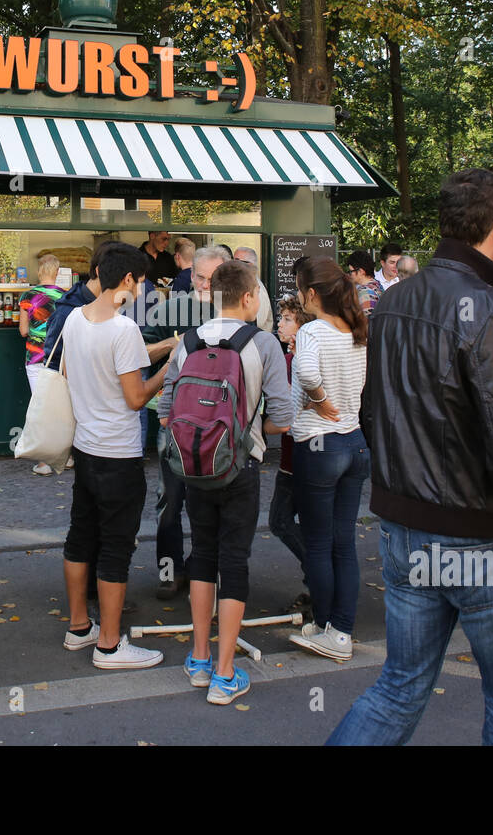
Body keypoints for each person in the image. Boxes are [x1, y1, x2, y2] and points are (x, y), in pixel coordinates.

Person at [328, 169, 493, 746]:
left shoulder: (396, 301)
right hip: (485, 536)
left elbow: (375, 410)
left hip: (408, 524)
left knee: (399, 687)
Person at [158, 261, 294, 703]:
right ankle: (224, 671)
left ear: (213, 295)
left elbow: (165, 410)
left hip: (194, 469)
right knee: (233, 560)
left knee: (202, 553)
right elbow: (284, 417)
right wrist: (248, 430)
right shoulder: (264, 344)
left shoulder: (188, 342)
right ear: (250, 297)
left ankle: (198, 659)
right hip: (240, 468)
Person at [60, 242, 176, 669]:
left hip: (86, 447)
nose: (141, 290)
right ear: (127, 280)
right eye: (141, 282)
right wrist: (168, 372)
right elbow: (134, 397)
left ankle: (79, 628)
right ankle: (110, 644)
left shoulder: (76, 317)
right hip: (119, 455)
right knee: (115, 547)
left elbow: (74, 374)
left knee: (80, 537)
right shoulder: (123, 329)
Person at [287, 256, 369, 662]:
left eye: (301, 289)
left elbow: (304, 373)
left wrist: (319, 400)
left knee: (318, 544)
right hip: (354, 443)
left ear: (312, 293)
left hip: (319, 444)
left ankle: (326, 627)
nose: (299, 297)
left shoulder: (313, 332)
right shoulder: (354, 328)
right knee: (343, 543)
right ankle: (341, 629)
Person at [141, 244, 228, 599]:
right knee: (170, 498)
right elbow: (142, 351)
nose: (207, 286)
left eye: (215, 279)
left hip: (220, 421)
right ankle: (170, 571)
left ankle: (202, 568)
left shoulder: (237, 312)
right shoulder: (170, 309)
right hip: (174, 419)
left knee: (214, 500)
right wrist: (173, 345)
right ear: (192, 276)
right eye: (202, 278)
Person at [269, 295, 313, 608]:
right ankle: (318, 580)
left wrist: (258, 428)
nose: (280, 324)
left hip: (295, 457)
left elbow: (285, 418)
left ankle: (317, 573)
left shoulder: (292, 362)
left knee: (280, 520)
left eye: (286, 319)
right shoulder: (301, 357)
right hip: (307, 455)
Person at [19, 255, 65, 475]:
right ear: (57, 272)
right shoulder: (66, 297)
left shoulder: (29, 296)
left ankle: (46, 462)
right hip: (60, 359)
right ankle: (68, 457)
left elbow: (23, 331)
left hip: (36, 358)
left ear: (40, 271)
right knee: (62, 407)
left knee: (41, 409)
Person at [233, 246, 274, 332]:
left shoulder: (258, 290)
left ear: (250, 265)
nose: (233, 265)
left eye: (236, 261)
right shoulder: (246, 285)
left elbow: (258, 323)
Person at [346, 250, 386, 315]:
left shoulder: (365, 293)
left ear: (361, 271)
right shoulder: (378, 285)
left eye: (351, 271)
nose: (349, 274)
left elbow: (365, 322)